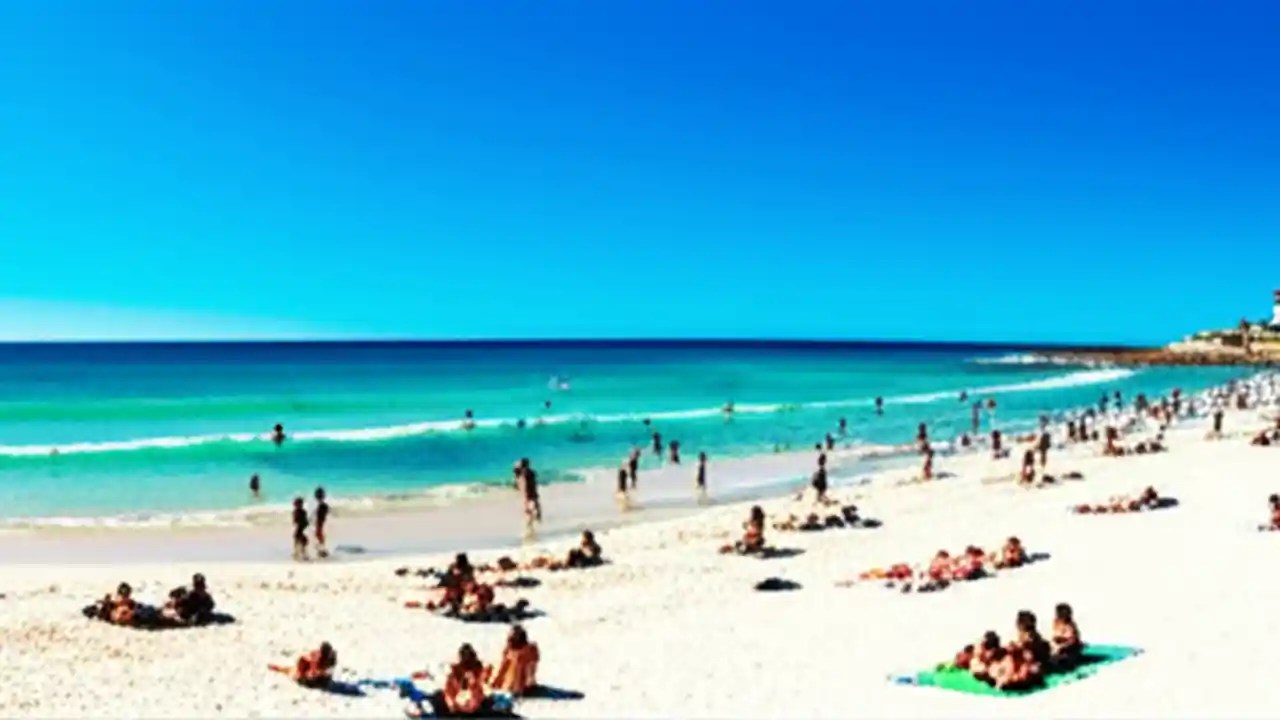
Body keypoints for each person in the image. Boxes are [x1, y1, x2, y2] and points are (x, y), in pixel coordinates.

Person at [490, 625, 540, 697]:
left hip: (523, 684)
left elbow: (531, 667)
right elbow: (503, 665)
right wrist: (497, 680)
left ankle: (518, 686)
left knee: (519, 662)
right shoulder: (509, 649)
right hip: (513, 683)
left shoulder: (530, 649)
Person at [441, 644, 489, 715]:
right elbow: (448, 692)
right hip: (457, 708)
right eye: (465, 656)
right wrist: (451, 705)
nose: (467, 659)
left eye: (469, 656)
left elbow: (484, 690)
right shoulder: (454, 673)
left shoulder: (480, 672)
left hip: (476, 707)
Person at [1050, 603, 1083, 669]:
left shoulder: (1070, 624)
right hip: (1061, 647)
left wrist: (1064, 643)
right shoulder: (1056, 622)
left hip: (1070, 649)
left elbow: (1072, 638)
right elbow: (1055, 636)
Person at [518, 459, 541, 524]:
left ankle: (530, 523)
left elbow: (522, 485)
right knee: (535, 508)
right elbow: (533, 483)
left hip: (528, 493)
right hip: (531, 492)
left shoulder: (522, 473)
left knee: (529, 510)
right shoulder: (530, 472)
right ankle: (535, 521)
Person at [314, 487, 330, 559]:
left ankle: (322, 550)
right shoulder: (323, 505)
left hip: (320, 521)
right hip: (321, 521)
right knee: (319, 534)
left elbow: (320, 514)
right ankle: (322, 549)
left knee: (318, 534)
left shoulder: (321, 505)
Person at [291, 497, 310, 561]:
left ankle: (298, 554)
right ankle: (299, 554)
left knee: (298, 542)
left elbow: (295, 521)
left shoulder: (297, 512)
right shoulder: (303, 512)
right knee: (300, 542)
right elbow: (306, 522)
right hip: (301, 529)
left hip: (300, 529)